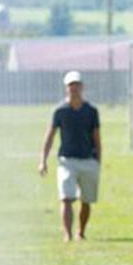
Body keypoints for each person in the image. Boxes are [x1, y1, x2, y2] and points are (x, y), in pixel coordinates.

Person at [38, 71, 102, 241]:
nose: (74, 88)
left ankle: (81, 232)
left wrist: (98, 162)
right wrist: (43, 160)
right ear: (66, 88)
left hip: (88, 160)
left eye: (77, 84)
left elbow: (96, 137)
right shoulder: (60, 111)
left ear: (82, 87)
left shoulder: (91, 111)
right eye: (71, 85)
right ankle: (67, 234)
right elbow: (50, 136)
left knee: (86, 200)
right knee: (66, 198)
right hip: (67, 161)